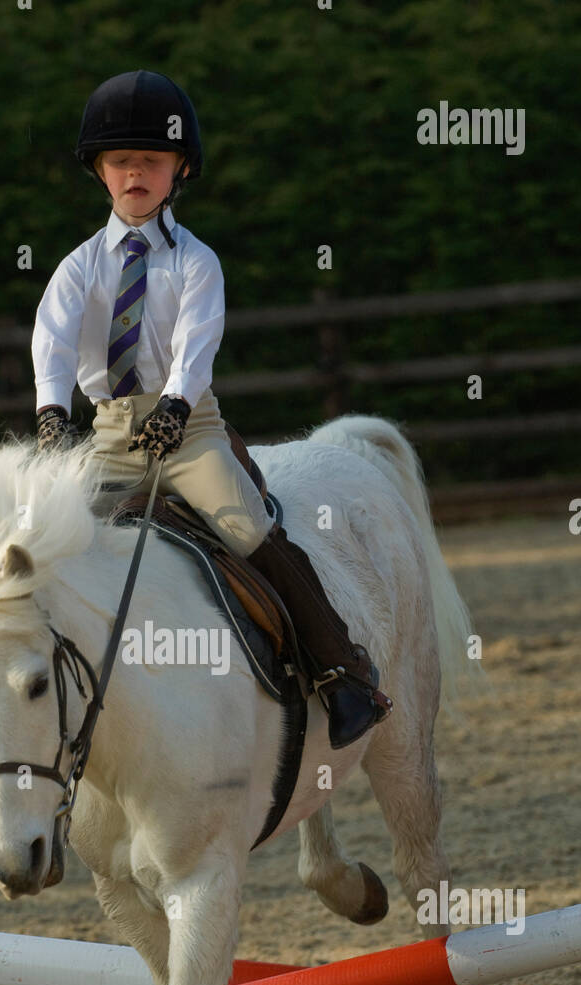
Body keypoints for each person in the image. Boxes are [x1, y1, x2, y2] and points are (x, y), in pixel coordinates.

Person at [31, 70, 391, 748]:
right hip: (110, 435)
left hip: (188, 429)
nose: (135, 173)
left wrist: (174, 405)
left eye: (151, 161)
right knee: (58, 547)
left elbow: (198, 344)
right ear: (100, 172)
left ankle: (341, 671)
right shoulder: (78, 267)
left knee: (251, 531)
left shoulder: (196, 262)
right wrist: (53, 412)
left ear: (180, 168)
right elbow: (50, 341)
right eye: (120, 161)